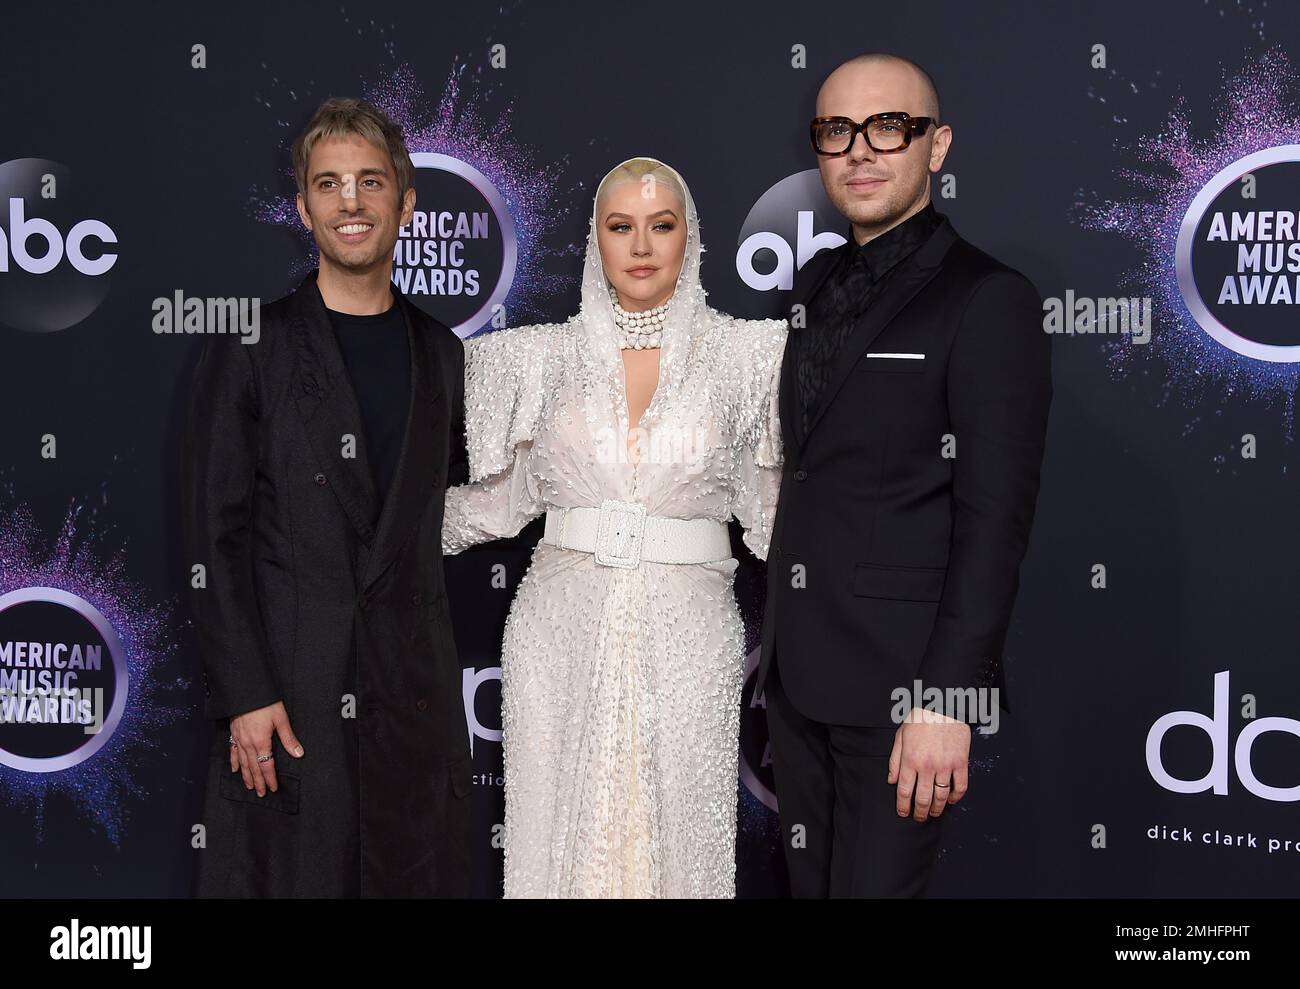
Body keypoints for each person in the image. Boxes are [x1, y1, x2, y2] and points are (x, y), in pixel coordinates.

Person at [442, 157, 787, 898]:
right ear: (595, 239)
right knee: (556, 836)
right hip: (557, 628)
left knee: (679, 841)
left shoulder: (749, 359)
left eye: (661, 226)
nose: (640, 246)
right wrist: (365, 537)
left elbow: (776, 513)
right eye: (620, 226)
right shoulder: (533, 359)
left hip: (690, 633)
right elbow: (497, 504)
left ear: (689, 239)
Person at [755, 54, 1052, 897]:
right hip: (798, 680)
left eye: (890, 127)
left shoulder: (987, 299)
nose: (860, 150)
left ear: (938, 145)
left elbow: (994, 522)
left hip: (903, 694)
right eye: (835, 131)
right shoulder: (814, 284)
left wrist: (947, 700)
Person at [183, 97, 471, 897]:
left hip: (411, 712)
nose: (351, 202)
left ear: (406, 203)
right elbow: (216, 536)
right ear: (303, 205)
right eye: (330, 184)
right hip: (291, 705)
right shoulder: (252, 346)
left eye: (371, 182)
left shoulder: (443, 355)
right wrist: (246, 694)